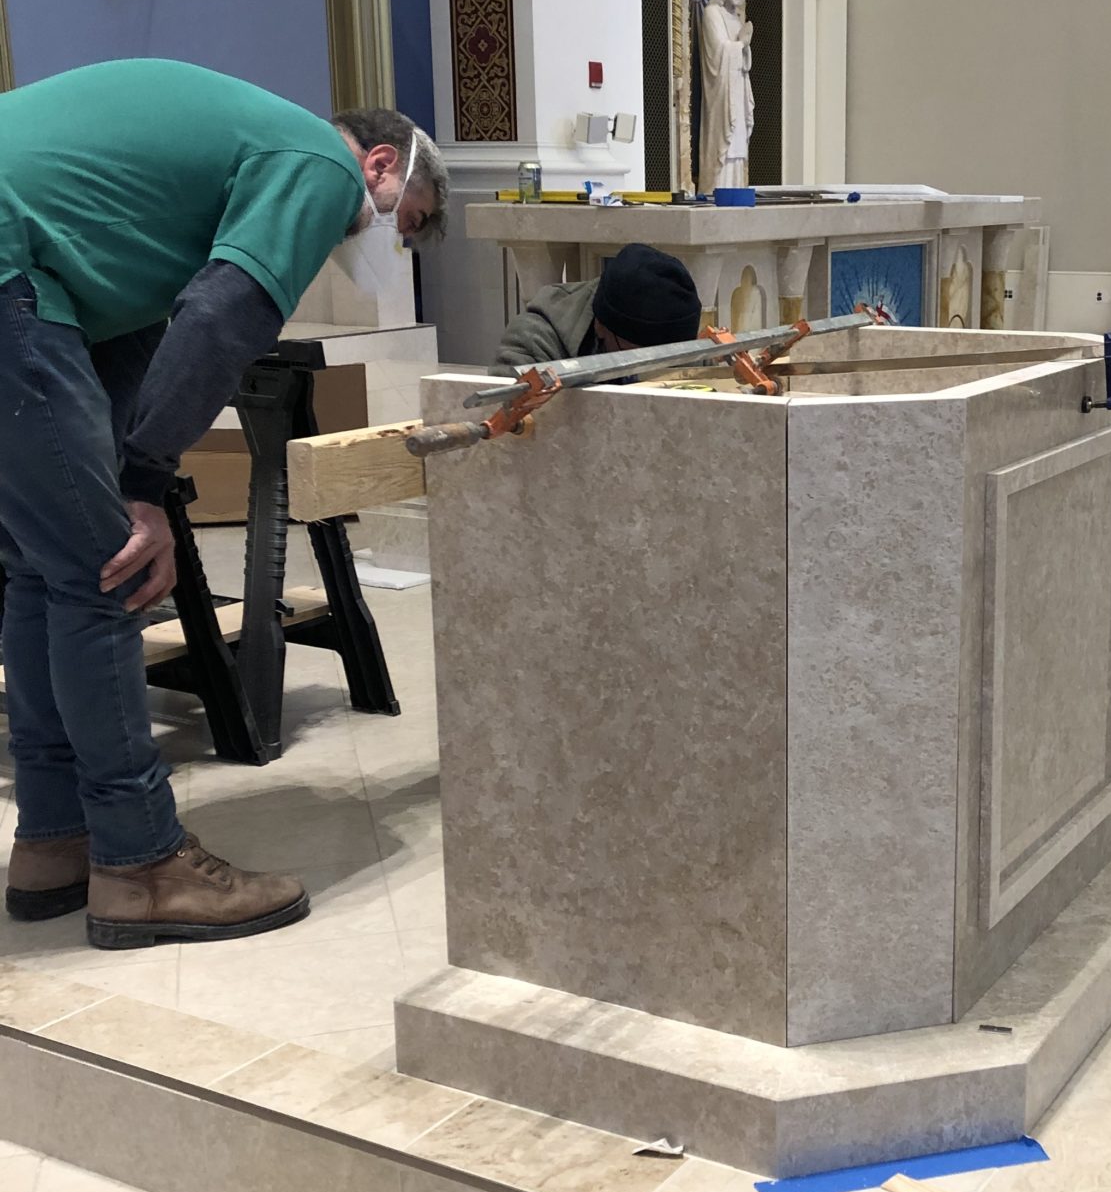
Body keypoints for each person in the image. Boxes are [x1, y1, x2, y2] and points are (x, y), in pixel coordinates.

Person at [0, 57, 447, 949]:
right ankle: (141, 865)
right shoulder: (320, 163)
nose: (385, 240)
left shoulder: (213, 165)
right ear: (382, 165)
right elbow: (220, 317)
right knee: (107, 575)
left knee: (44, 572)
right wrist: (143, 485)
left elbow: (133, 335)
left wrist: (129, 474)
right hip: (12, 276)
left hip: (32, 275)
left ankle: (56, 836)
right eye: (405, 222)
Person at [492, 243, 700, 374]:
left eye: (668, 359)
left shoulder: (679, 341)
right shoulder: (534, 340)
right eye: (640, 359)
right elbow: (505, 418)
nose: (653, 371)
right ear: (601, 326)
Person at [698, 0, 755, 196]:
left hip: (738, 91)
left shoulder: (737, 19)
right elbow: (718, 52)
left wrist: (744, 47)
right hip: (722, 94)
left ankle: (735, 194)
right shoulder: (712, 13)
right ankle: (716, 192)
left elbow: (742, 61)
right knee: (725, 145)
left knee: (738, 147)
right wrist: (742, 44)